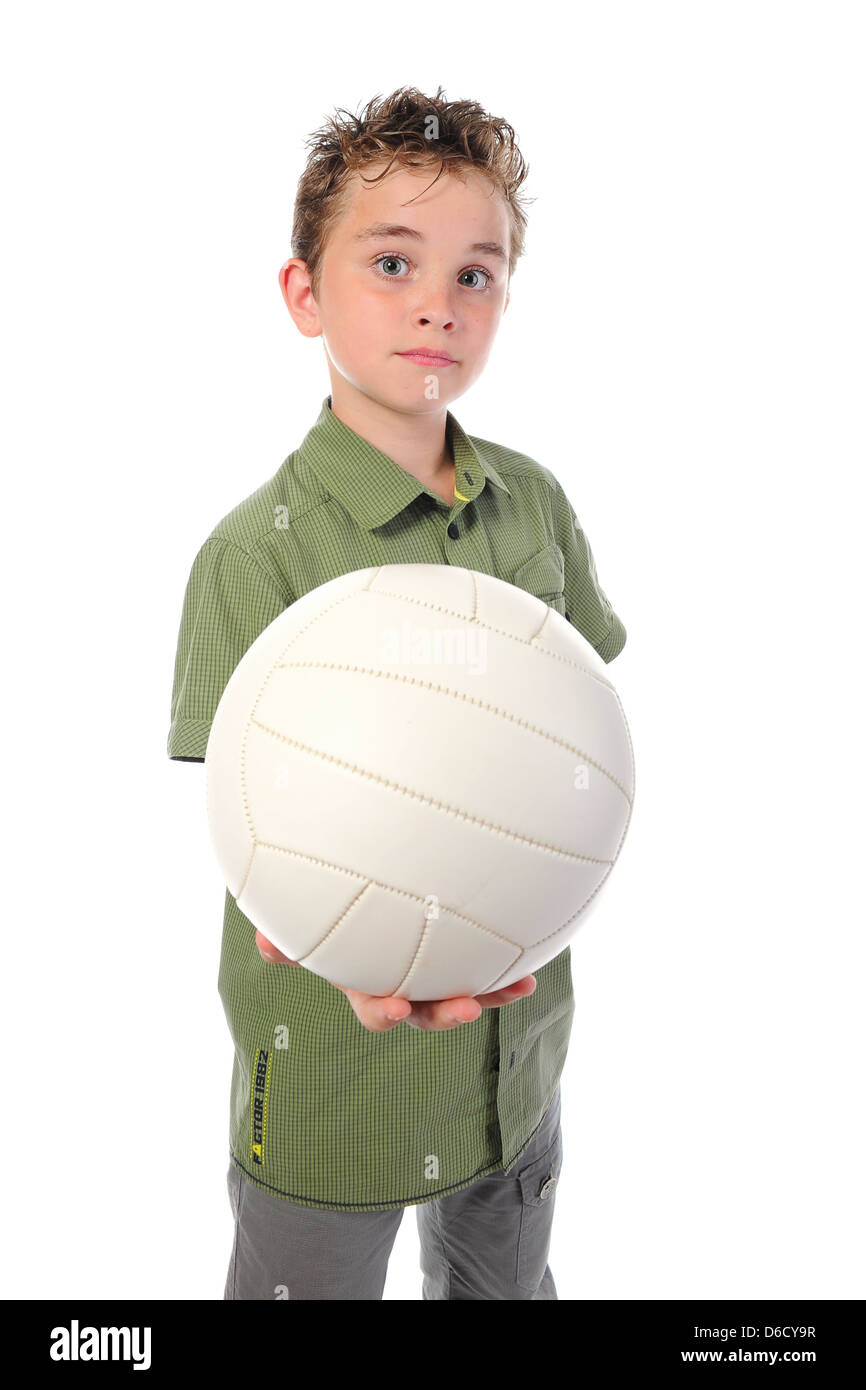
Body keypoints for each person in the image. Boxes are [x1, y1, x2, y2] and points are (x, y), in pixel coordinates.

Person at [167, 85, 627, 1300]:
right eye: (390, 261)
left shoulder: (530, 505)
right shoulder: (251, 552)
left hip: (511, 1059)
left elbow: (576, 728)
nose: (438, 300)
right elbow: (242, 820)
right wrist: (329, 942)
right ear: (303, 294)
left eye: (476, 273)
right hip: (328, 1071)